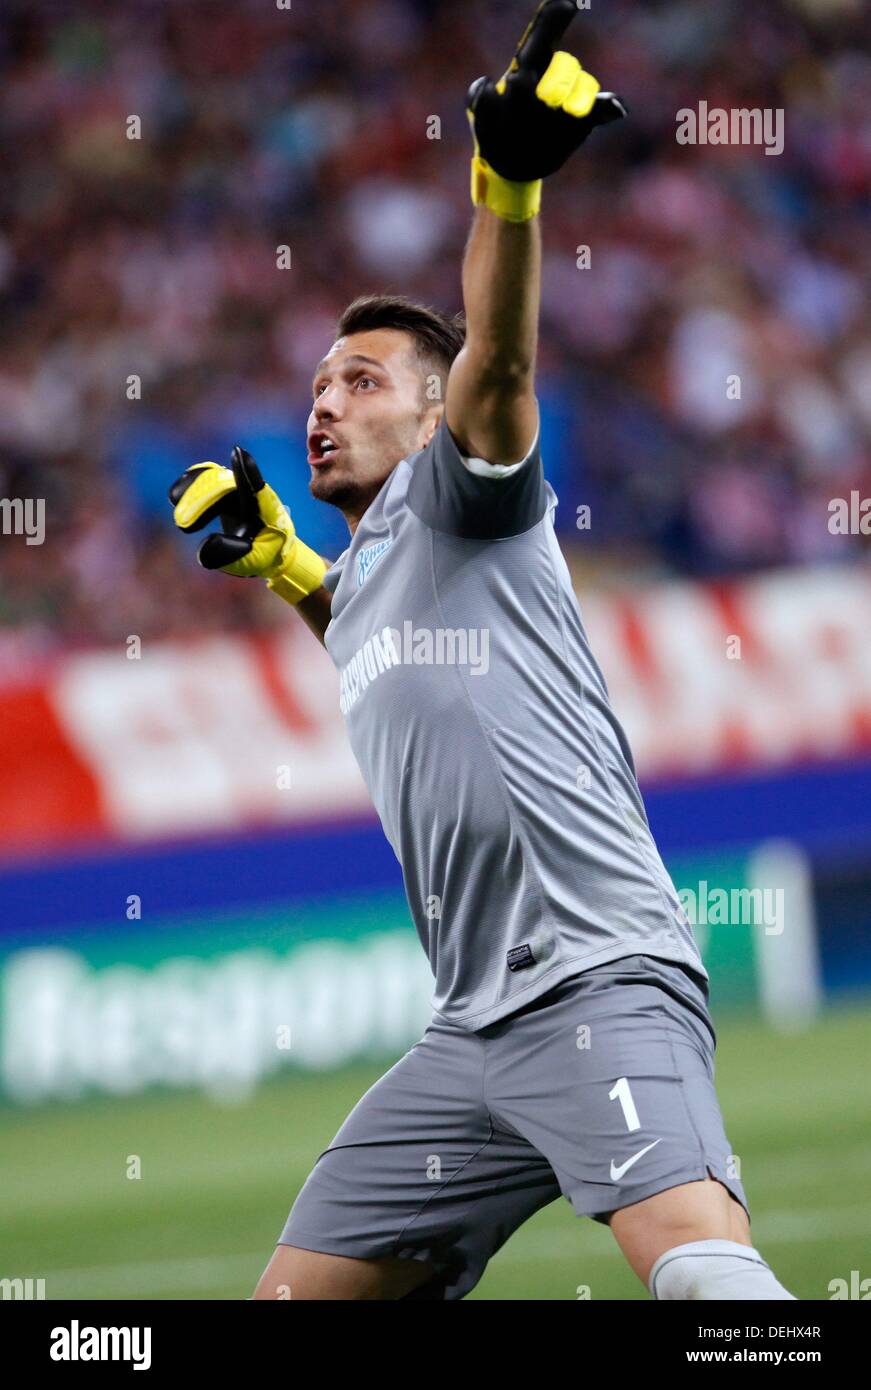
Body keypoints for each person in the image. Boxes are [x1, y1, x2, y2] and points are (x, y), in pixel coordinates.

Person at [171, 1, 795, 1301]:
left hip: (593, 976)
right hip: (466, 1035)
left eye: (361, 381)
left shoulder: (464, 494)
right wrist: (287, 568)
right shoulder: (374, 571)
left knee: (705, 1284)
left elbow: (501, 364)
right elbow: (379, 640)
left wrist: (506, 192)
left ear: (431, 416)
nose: (323, 404)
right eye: (316, 387)